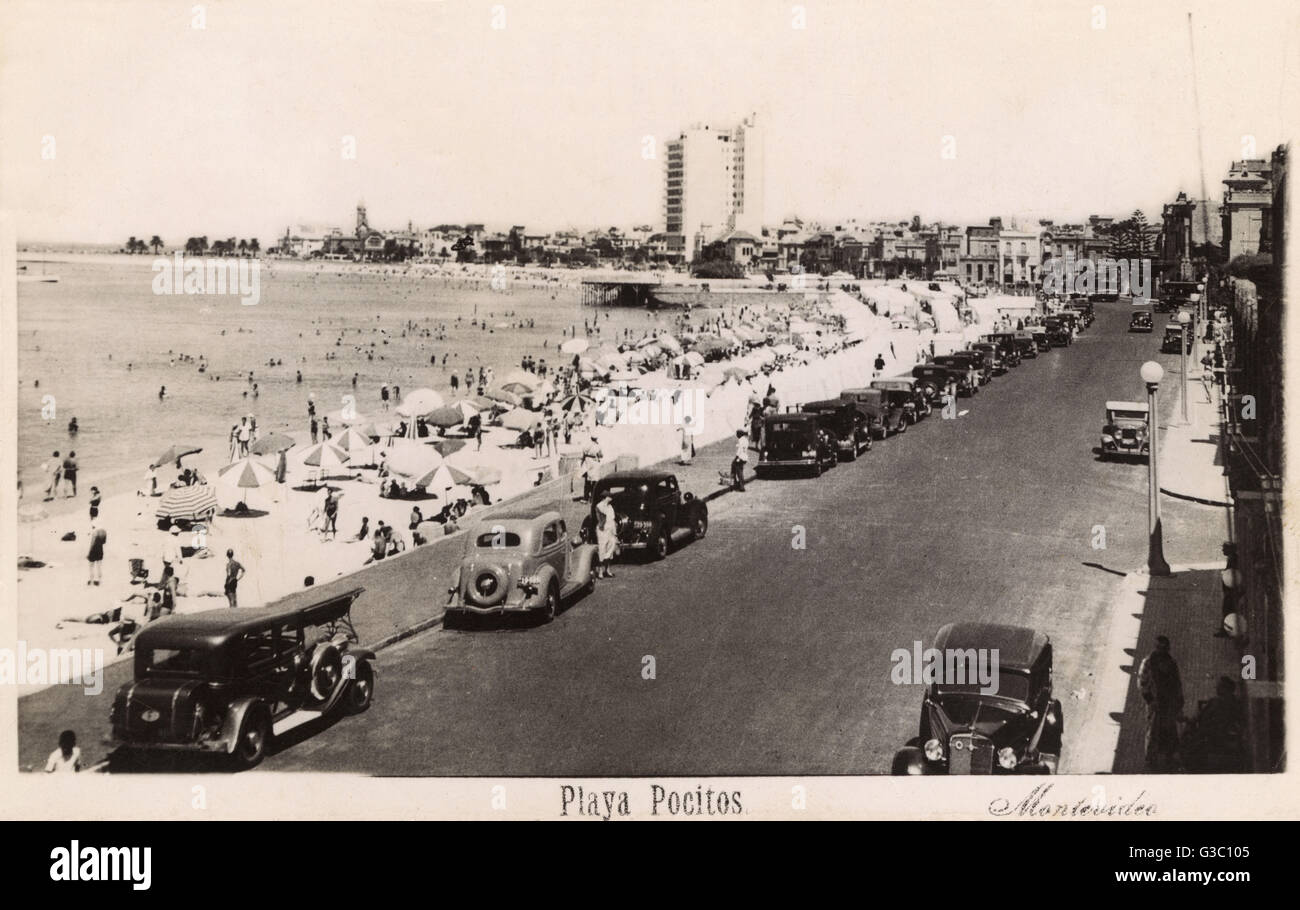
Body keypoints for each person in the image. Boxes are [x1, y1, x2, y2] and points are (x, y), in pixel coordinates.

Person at [1137, 635, 1184, 771]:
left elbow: (1177, 683)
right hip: (1156, 705)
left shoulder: (1172, 663)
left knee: (1169, 731)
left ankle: (1169, 758)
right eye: (1158, 647)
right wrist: (1150, 700)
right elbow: (1142, 682)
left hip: (1169, 704)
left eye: (1163, 647)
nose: (1161, 650)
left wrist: (1179, 702)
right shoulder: (1148, 662)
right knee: (1152, 732)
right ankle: (1150, 761)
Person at [594, 491, 618, 578]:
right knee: (602, 549)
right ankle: (600, 571)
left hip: (610, 529)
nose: (611, 498)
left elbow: (613, 519)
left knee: (611, 548)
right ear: (606, 497)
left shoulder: (610, 507)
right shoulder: (599, 506)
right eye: (610, 496)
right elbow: (602, 517)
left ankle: (607, 570)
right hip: (603, 530)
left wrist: (615, 532)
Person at [580, 435, 603, 501]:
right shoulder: (597, 445)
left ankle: (585, 498)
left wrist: (582, 463)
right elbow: (601, 455)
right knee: (594, 481)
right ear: (596, 439)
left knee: (587, 481)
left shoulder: (587, 445)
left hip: (587, 462)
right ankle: (593, 497)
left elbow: (583, 455)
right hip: (594, 462)